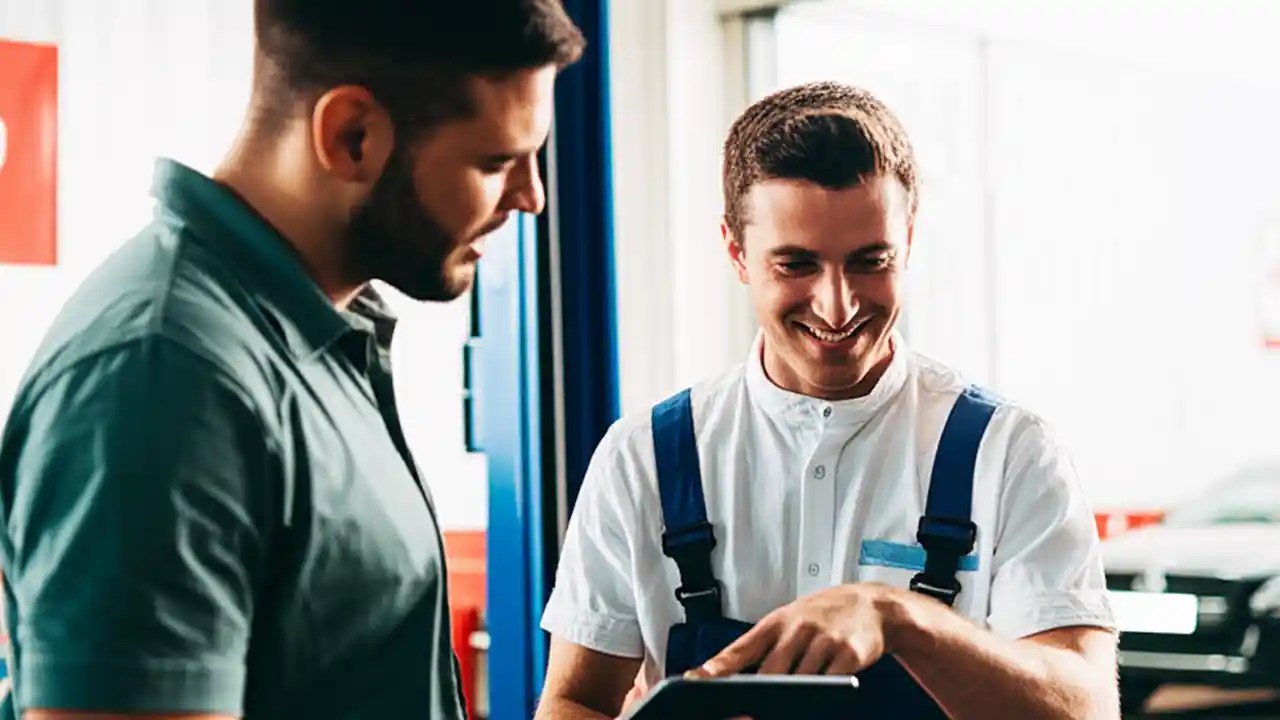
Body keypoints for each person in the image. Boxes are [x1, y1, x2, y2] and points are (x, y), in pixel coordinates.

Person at [0, 1, 583, 718]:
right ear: (352, 136)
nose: (531, 197)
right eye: (496, 163)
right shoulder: (164, 379)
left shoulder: (313, 337)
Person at [536, 81, 1120, 719]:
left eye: (871, 261)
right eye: (796, 265)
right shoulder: (643, 459)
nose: (838, 306)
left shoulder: (1009, 454)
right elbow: (574, 701)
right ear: (736, 252)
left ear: (908, 242)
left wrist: (900, 619)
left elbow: (1086, 709)